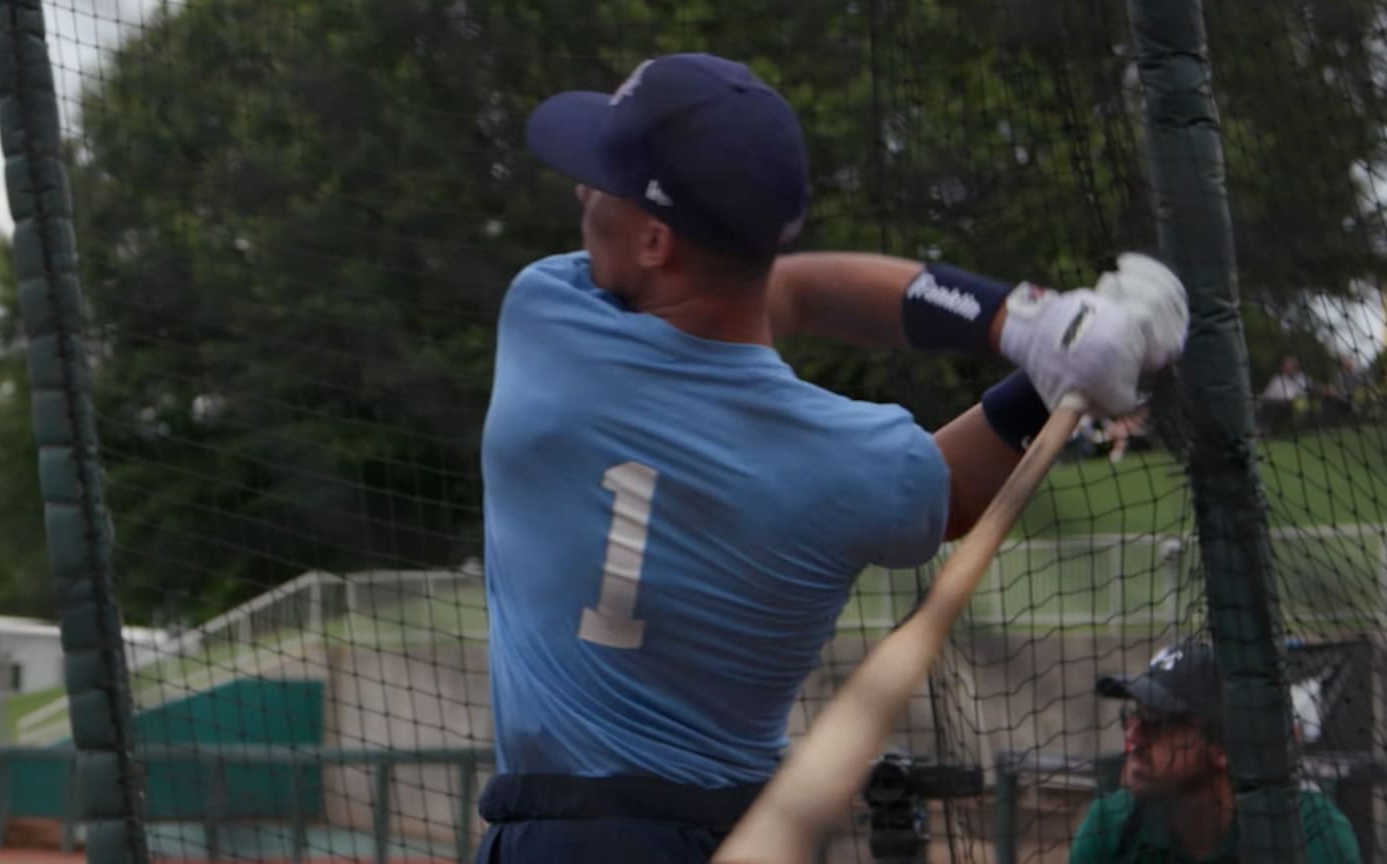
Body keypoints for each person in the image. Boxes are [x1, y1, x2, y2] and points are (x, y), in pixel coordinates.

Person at [475, 52, 1178, 863]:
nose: (581, 192)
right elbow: (941, 481)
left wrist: (1022, 324)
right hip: (741, 836)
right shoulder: (855, 463)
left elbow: (787, 293)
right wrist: (1043, 355)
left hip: (549, 840)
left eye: (603, 183)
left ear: (657, 241)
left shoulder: (548, 318)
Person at [1070, 640, 1361, 863]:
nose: (1132, 736)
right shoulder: (1110, 826)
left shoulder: (1309, 829)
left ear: (1221, 748)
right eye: (1132, 717)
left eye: (1155, 723)